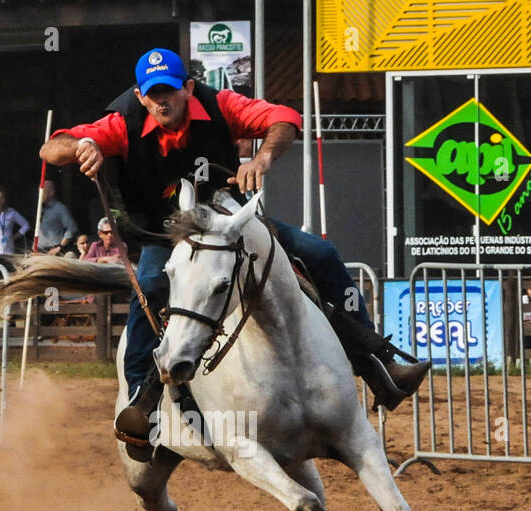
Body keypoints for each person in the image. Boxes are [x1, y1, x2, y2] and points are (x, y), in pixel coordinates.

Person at [39, 47, 427, 453]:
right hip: (164, 234)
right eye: (153, 94)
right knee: (151, 284)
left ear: (188, 87)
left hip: (229, 223)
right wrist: (83, 145)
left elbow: (285, 118)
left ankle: (376, 363)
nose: (162, 101)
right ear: (140, 96)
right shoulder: (123, 123)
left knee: (321, 254)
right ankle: (143, 401)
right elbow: (52, 149)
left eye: (170, 90)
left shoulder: (221, 104)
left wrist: (262, 156)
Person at [36, 180, 78, 255]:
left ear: (51, 193)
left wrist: (60, 247)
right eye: (39, 192)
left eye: (43, 192)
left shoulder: (60, 209)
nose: (40, 195)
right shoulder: (41, 209)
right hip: (39, 250)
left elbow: (72, 228)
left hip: (53, 251)